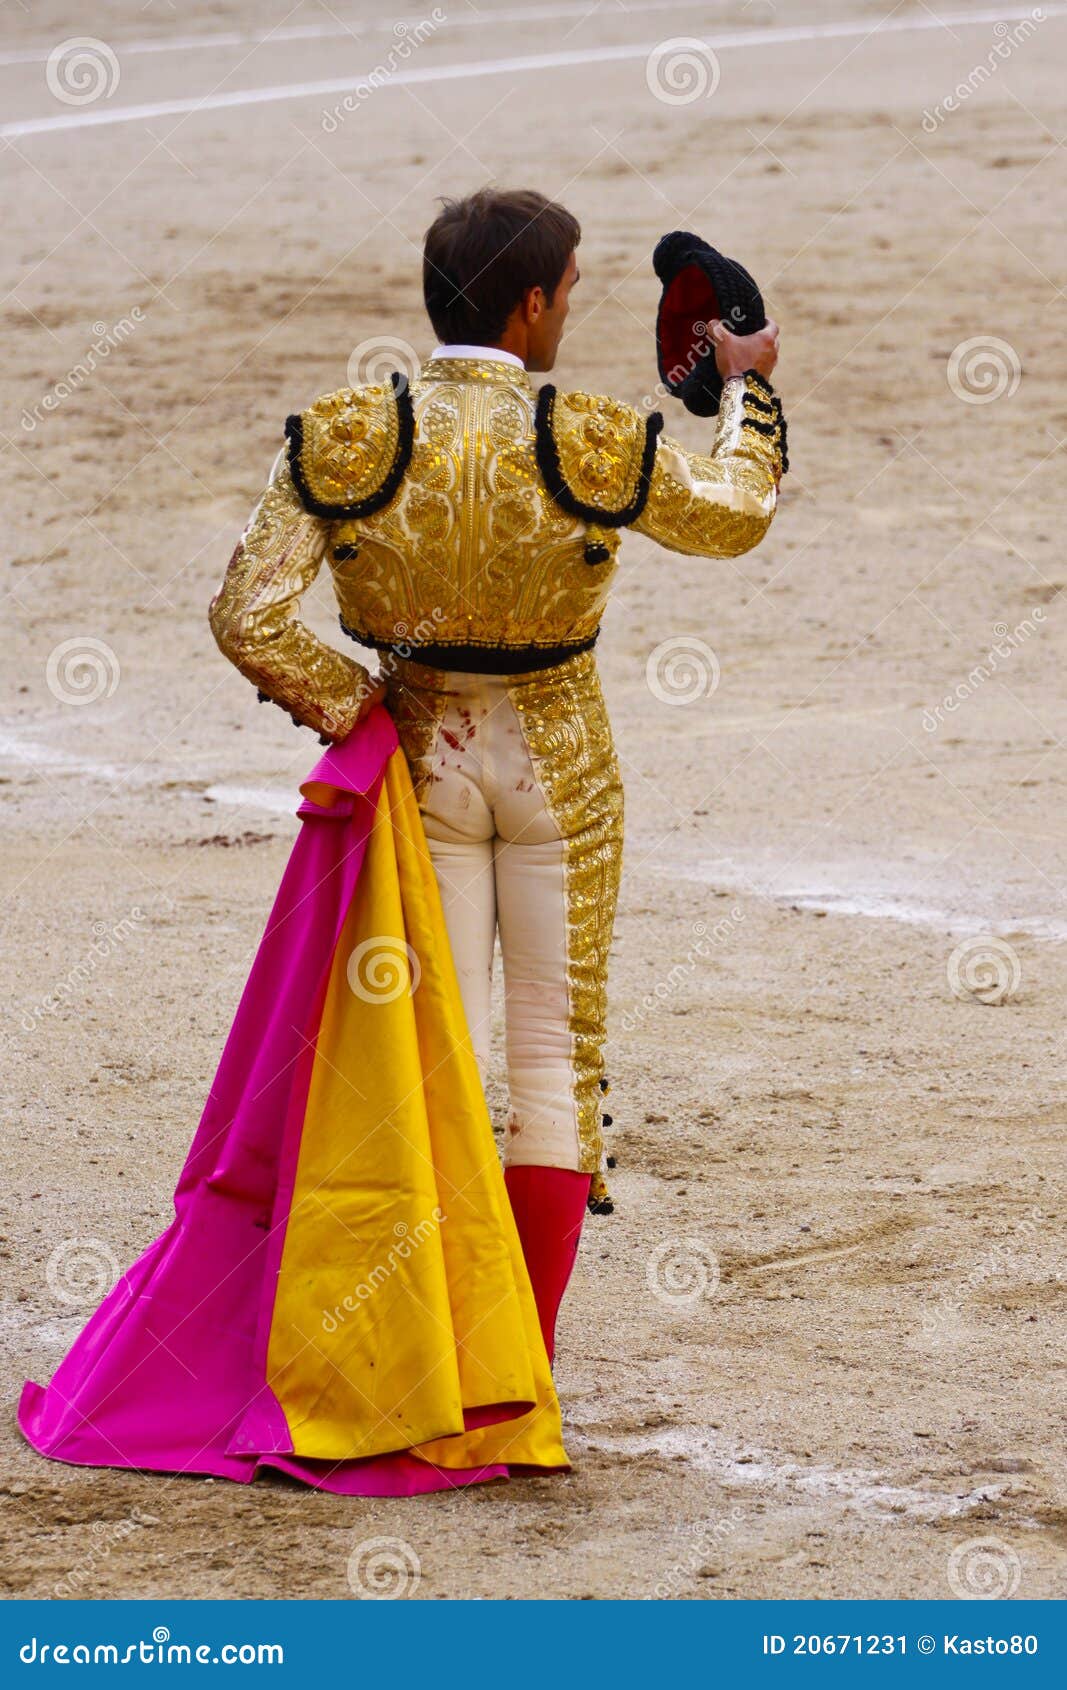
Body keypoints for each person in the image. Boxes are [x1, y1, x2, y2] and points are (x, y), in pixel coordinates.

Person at [208, 185, 784, 1368]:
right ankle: (517, 1364)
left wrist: (361, 712)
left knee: (436, 1056)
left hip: (420, 765)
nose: (569, 311)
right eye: (567, 292)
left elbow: (246, 615)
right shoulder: (590, 435)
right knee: (552, 1053)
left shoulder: (350, 433)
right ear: (527, 306)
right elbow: (735, 512)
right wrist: (748, 388)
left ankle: (431, 1356)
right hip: (558, 765)